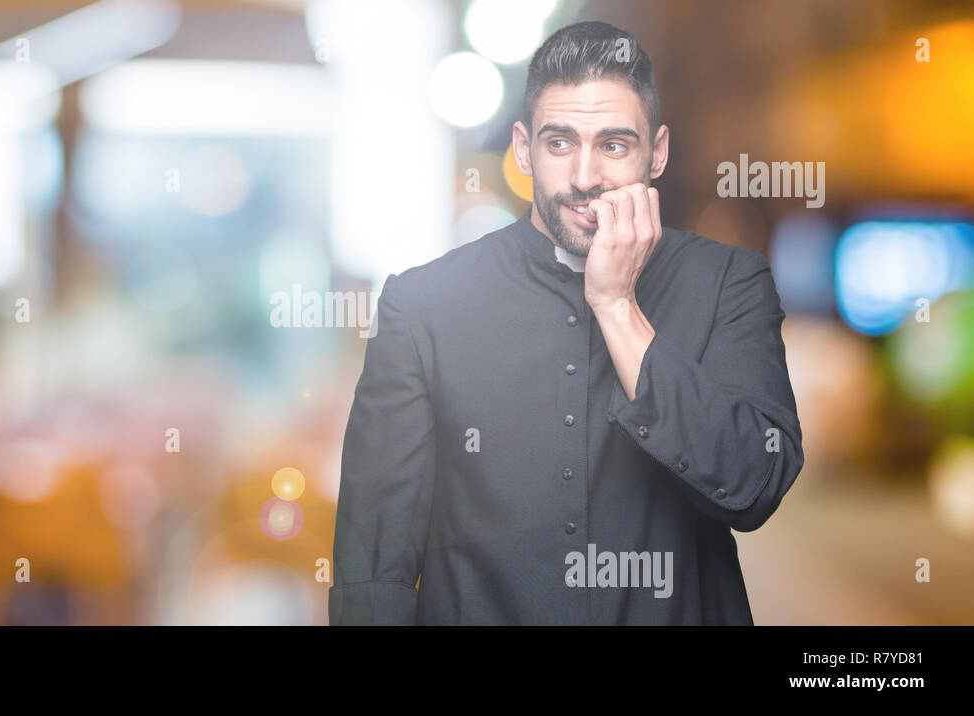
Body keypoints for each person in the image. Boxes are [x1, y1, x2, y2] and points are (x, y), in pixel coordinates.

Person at [329, 21, 804, 625]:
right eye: (560, 143)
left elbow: (754, 484)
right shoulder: (422, 305)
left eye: (613, 145)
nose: (584, 177)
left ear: (656, 152)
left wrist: (618, 306)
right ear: (525, 149)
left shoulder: (727, 284)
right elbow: (375, 564)